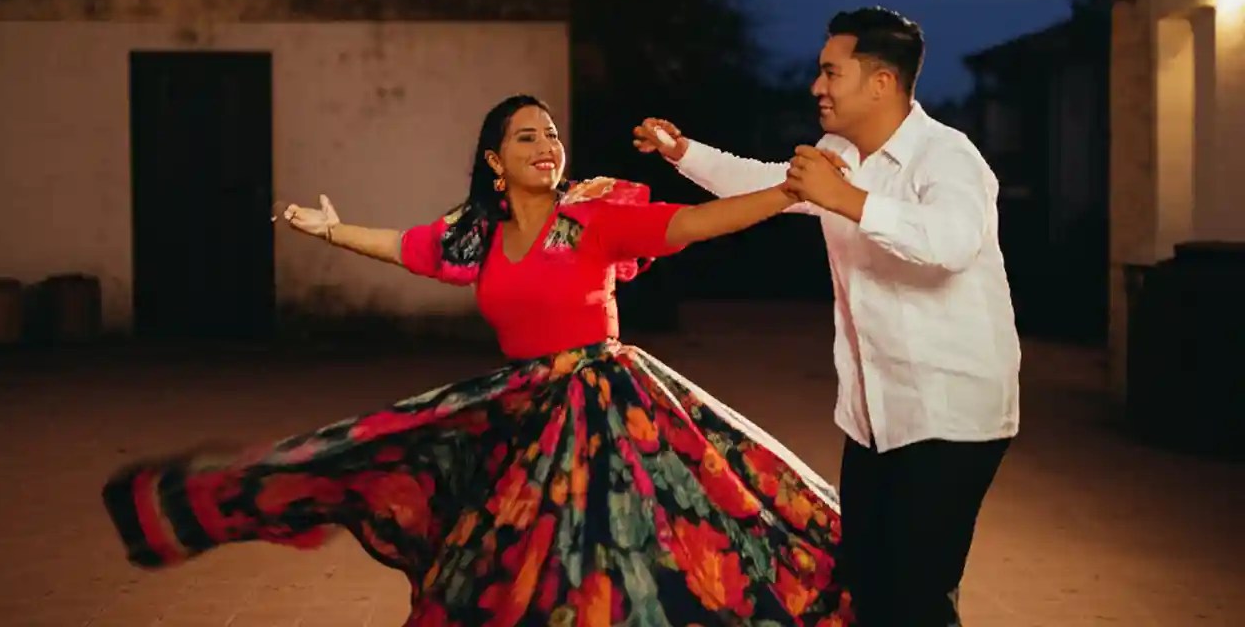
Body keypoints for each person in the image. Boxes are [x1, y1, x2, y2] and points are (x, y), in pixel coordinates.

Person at [102, 94, 857, 625]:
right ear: (495, 160)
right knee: (501, 565)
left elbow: (694, 222)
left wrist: (787, 194)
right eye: (526, 136)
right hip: (525, 420)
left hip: (607, 417)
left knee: (625, 560)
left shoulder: (592, 218)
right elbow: (408, 248)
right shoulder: (480, 234)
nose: (545, 146)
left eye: (551, 134)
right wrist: (332, 233)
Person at [633, 7, 1020, 627]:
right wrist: (684, 153)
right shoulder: (839, 151)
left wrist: (845, 199)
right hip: (875, 417)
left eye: (830, 72)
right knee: (867, 584)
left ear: (881, 83)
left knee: (918, 596)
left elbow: (950, 242)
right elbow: (770, 183)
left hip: (952, 414)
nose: (817, 86)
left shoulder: (948, 157)